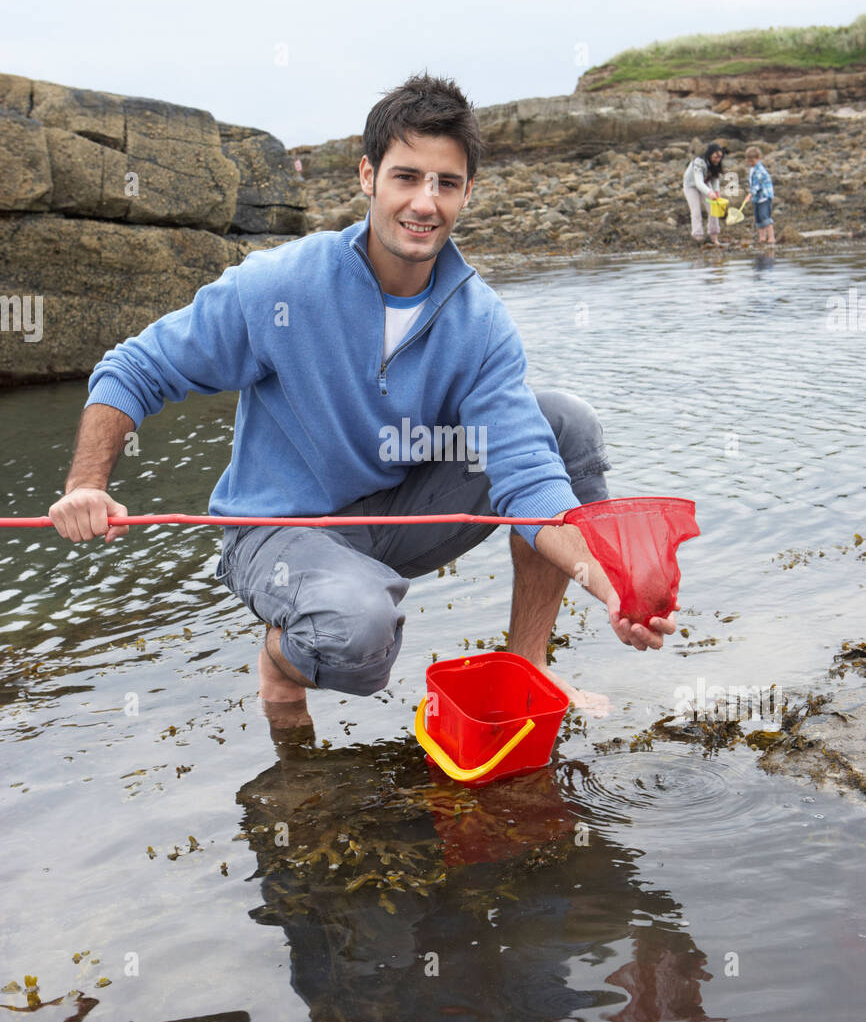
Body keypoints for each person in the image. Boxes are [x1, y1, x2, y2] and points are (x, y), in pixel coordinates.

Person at [48, 73, 676, 725]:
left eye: (446, 183)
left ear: (466, 193)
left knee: (565, 424)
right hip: (280, 532)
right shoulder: (283, 285)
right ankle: (282, 660)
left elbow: (531, 481)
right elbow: (136, 368)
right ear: (367, 177)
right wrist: (86, 484)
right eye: (406, 177)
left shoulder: (479, 322)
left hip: (395, 517)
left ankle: (528, 668)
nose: (425, 203)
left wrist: (609, 584)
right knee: (359, 637)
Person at [683, 143, 726, 246]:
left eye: (720, 157)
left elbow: (715, 179)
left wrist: (716, 192)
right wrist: (709, 192)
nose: (718, 159)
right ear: (710, 155)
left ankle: (714, 236)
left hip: (705, 184)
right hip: (691, 186)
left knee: (713, 209)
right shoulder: (698, 162)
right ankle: (698, 237)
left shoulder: (716, 163)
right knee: (696, 211)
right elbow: (698, 182)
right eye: (716, 157)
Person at [742, 144, 775, 247]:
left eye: (752, 161)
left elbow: (757, 185)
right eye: (748, 161)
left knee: (765, 217)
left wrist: (749, 195)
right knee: (758, 219)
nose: (750, 163)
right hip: (757, 198)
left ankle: (771, 237)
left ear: (758, 158)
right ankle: (762, 237)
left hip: (764, 197)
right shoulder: (753, 168)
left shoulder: (759, 170)